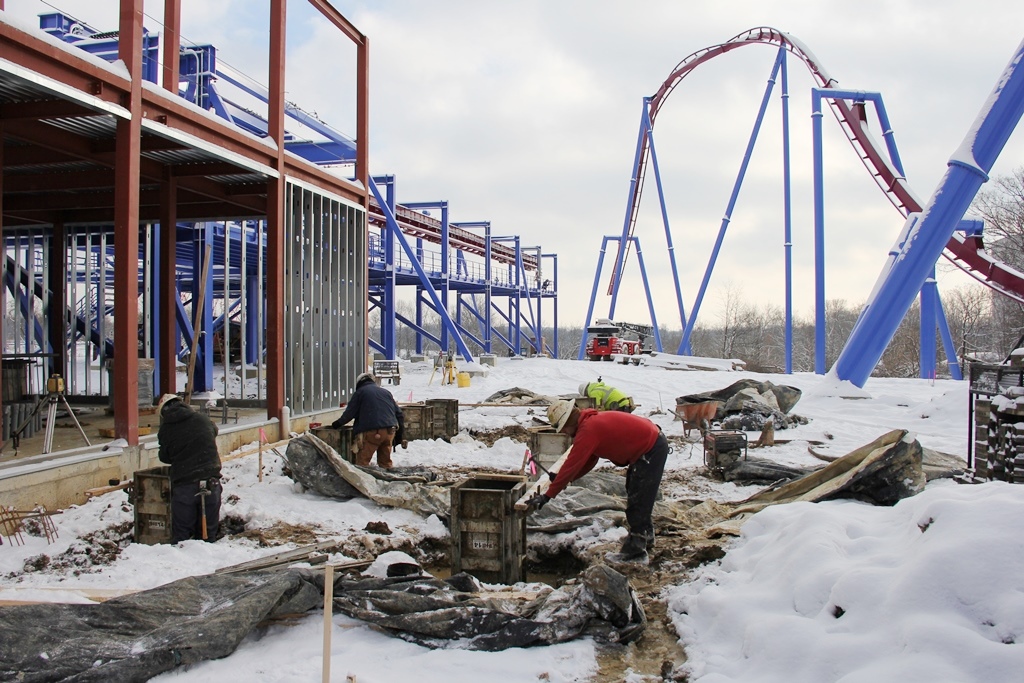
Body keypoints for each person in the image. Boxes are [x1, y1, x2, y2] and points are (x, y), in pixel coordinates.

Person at [526, 399, 669, 563]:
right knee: (635, 490)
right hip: (650, 445)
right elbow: (589, 460)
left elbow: (572, 463)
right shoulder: (590, 423)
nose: (564, 432)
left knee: (639, 498)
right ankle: (646, 536)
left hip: (651, 448)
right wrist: (565, 479)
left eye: (563, 428)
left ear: (569, 422)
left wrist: (548, 495)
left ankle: (635, 551)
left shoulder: (589, 430)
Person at [156, 393, 222, 543]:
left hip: (185, 481)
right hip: (211, 476)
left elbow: (165, 457)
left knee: (182, 532)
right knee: (209, 530)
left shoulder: (166, 429)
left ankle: (183, 558)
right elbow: (213, 432)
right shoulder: (202, 419)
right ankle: (209, 551)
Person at [331, 372, 407, 468]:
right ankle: (387, 480)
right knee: (385, 463)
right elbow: (399, 414)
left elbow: (349, 413)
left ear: (359, 383)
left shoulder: (360, 393)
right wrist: (400, 435)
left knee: (362, 463)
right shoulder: (386, 392)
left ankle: (361, 481)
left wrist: (337, 424)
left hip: (372, 433)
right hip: (389, 432)